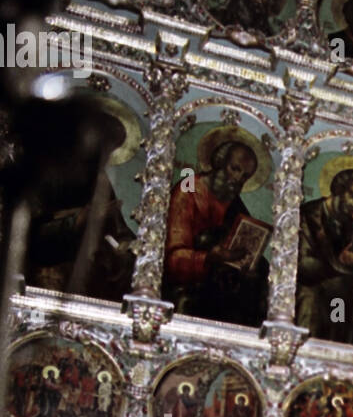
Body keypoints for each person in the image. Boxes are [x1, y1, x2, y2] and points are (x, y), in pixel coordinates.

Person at [24, 110, 137, 301]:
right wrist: (77, 222)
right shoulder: (48, 171)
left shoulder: (99, 179)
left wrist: (129, 247)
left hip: (94, 260)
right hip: (54, 262)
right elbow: (30, 232)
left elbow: (118, 229)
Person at [163, 136, 269, 326]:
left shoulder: (236, 206)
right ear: (220, 162)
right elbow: (173, 259)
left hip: (219, 288)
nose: (238, 179)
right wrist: (209, 258)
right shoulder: (189, 190)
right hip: (187, 286)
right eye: (234, 169)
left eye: (245, 176)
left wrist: (246, 268)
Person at [295, 167, 353, 348]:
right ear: (339, 189)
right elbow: (302, 263)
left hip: (338, 299)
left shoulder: (350, 230)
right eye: (352, 196)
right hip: (310, 288)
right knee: (318, 297)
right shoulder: (308, 215)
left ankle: (340, 347)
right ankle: (307, 348)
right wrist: (342, 266)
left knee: (344, 298)